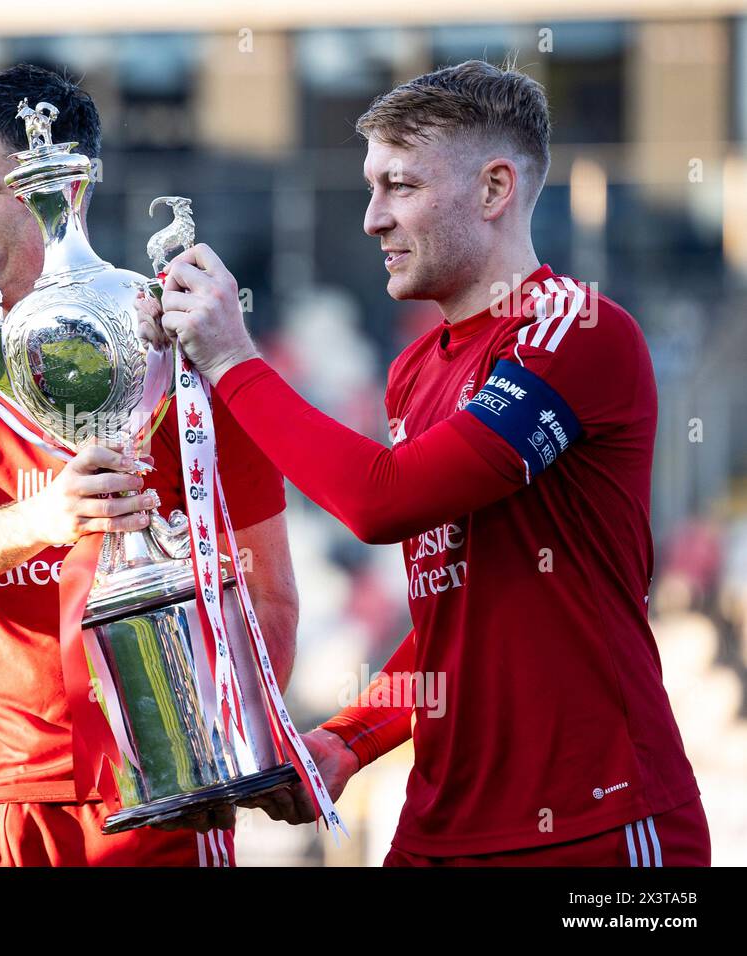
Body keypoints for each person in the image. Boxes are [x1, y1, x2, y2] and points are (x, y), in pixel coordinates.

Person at [140, 60, 709, 866]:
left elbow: (383, 503)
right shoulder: (414, 370)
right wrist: (349, 741)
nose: (373, 219)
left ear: (494, 188)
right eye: (372, 188)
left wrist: (234, 358)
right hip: (439, 828)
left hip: (596, 826)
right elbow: (454, 619)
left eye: (400, 187)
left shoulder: (577, 329)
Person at [0, 63, 297, 867]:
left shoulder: (177, 344)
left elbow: (267, 594)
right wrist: (42, 518)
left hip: (155, 792)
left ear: (61, 193)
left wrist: (219, 755)